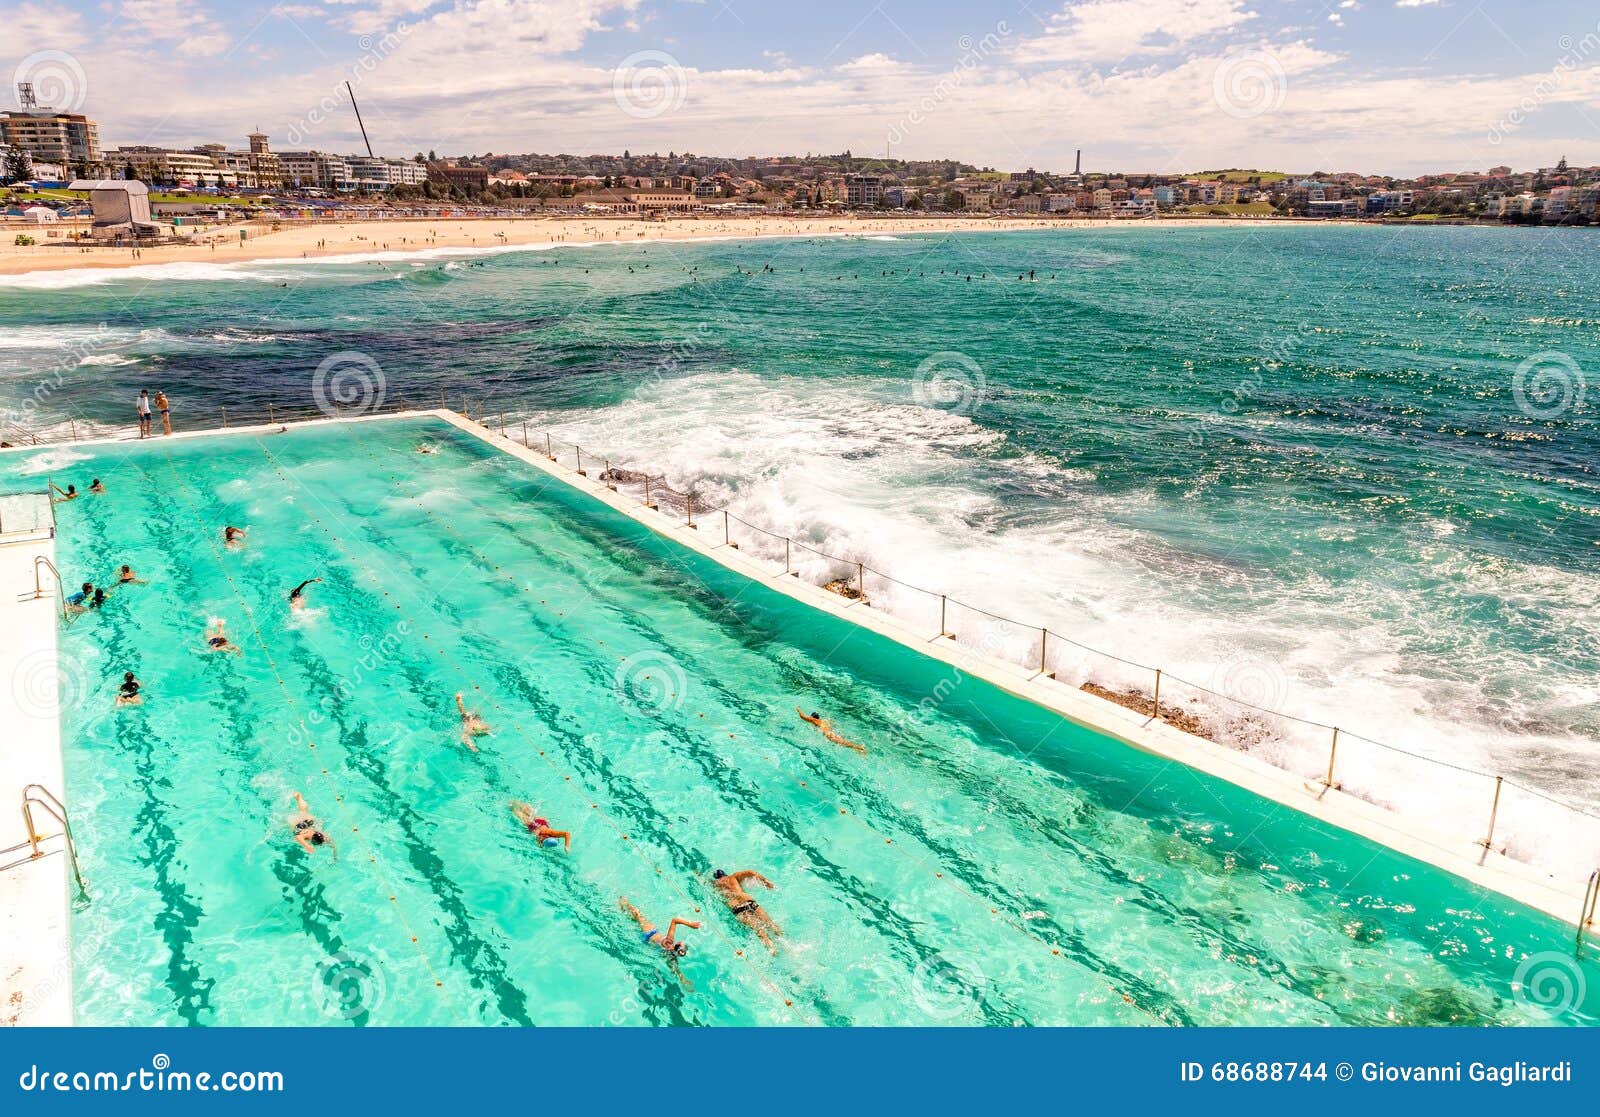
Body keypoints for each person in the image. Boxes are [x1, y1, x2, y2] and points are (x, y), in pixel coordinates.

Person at [712, 868, 781, 951]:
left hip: (737, 908)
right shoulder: (732, 877)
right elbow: (750, 872)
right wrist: (765, 881)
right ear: (725, 874)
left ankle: (771, 949)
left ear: (716, 878)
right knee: (770, 924)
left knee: (759, 931)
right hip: (748, 901)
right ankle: (783, 940)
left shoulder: (715, 884)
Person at [619, 897, 700, 959]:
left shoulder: (669, 941)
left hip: (649, 932)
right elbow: (673, 966)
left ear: (678, 944)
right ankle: (624, 911)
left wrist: (690, 924)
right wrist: (681, 977)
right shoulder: (671, 953)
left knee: (637, 913)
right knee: (635, 921)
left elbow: (674, 920)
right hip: (647, 941)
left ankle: (623, 902)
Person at [796, 708, 866, 753]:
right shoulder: (824, 721)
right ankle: (858, 749)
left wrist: (798, 710)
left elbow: (802, 716)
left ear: (812, 717)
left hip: (829, 735)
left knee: (844, 743)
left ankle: (861, 748)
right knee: (844, 743)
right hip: (832, 733)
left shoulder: (814, 720)